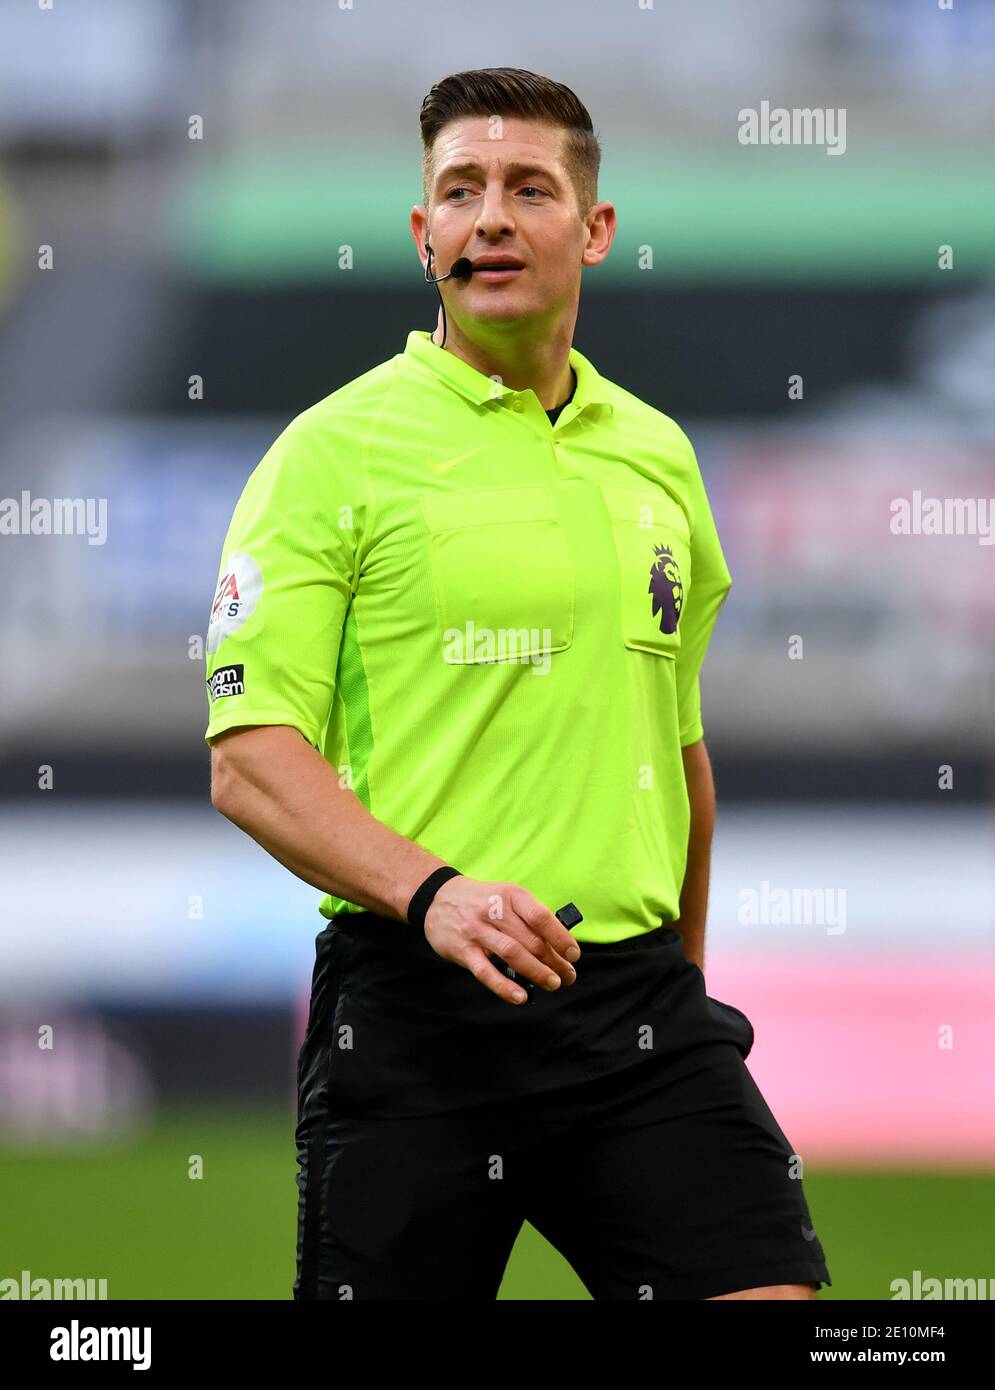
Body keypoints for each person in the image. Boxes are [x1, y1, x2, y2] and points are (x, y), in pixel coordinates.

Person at [204, 66, 831, 1301]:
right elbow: (248, 758)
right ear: (421, 234)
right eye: (459, 191)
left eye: (526, 187)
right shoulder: (329, 454)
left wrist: (683, 991)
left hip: (637, 1019)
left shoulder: (657, 457)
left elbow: (679, 752)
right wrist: (429, 894)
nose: (488, 216)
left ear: (592, 229)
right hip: (415, 1013)